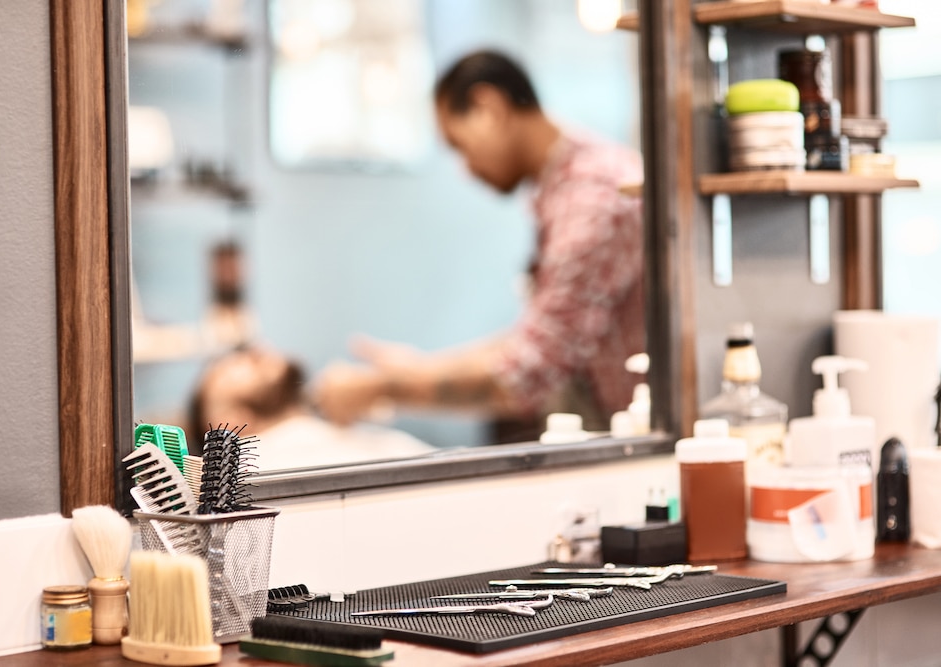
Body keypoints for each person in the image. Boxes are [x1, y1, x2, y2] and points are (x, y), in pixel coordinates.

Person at [315, 49, 645, 432]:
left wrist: (382, 389)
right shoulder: (569, 184)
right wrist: (423, 368)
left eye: (459, 145)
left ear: (489, 108)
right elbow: (538, 333)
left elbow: (529, 372)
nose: (466, 168)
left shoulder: (591, 200)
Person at [189, 345, 435, 471]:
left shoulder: (326, 434)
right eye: (231, 367)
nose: (255, 351)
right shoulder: (255, 473)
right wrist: (396, 385)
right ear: (228, 420)